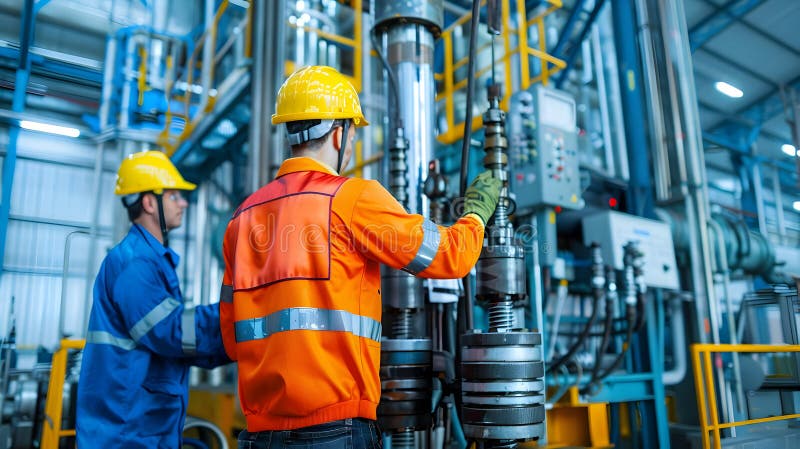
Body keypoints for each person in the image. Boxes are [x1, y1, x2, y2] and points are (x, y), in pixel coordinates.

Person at [219, 65, 501, 449]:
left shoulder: (242, 218)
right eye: (351, 135)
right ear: (339, 134)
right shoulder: (351, 199)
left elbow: (232, 340)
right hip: (336, 431)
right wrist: (477, 212)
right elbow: (450, 257)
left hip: (259, 435)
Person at [76, 150, 230, 448]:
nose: (184, 203)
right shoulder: (135, 263)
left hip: (142, 423)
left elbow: (176, 343)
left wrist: (235, 344)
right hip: (127, 429)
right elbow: (170, 333)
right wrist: (235, 314)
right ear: (149, 202)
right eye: (174, 196)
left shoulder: (150, 259)